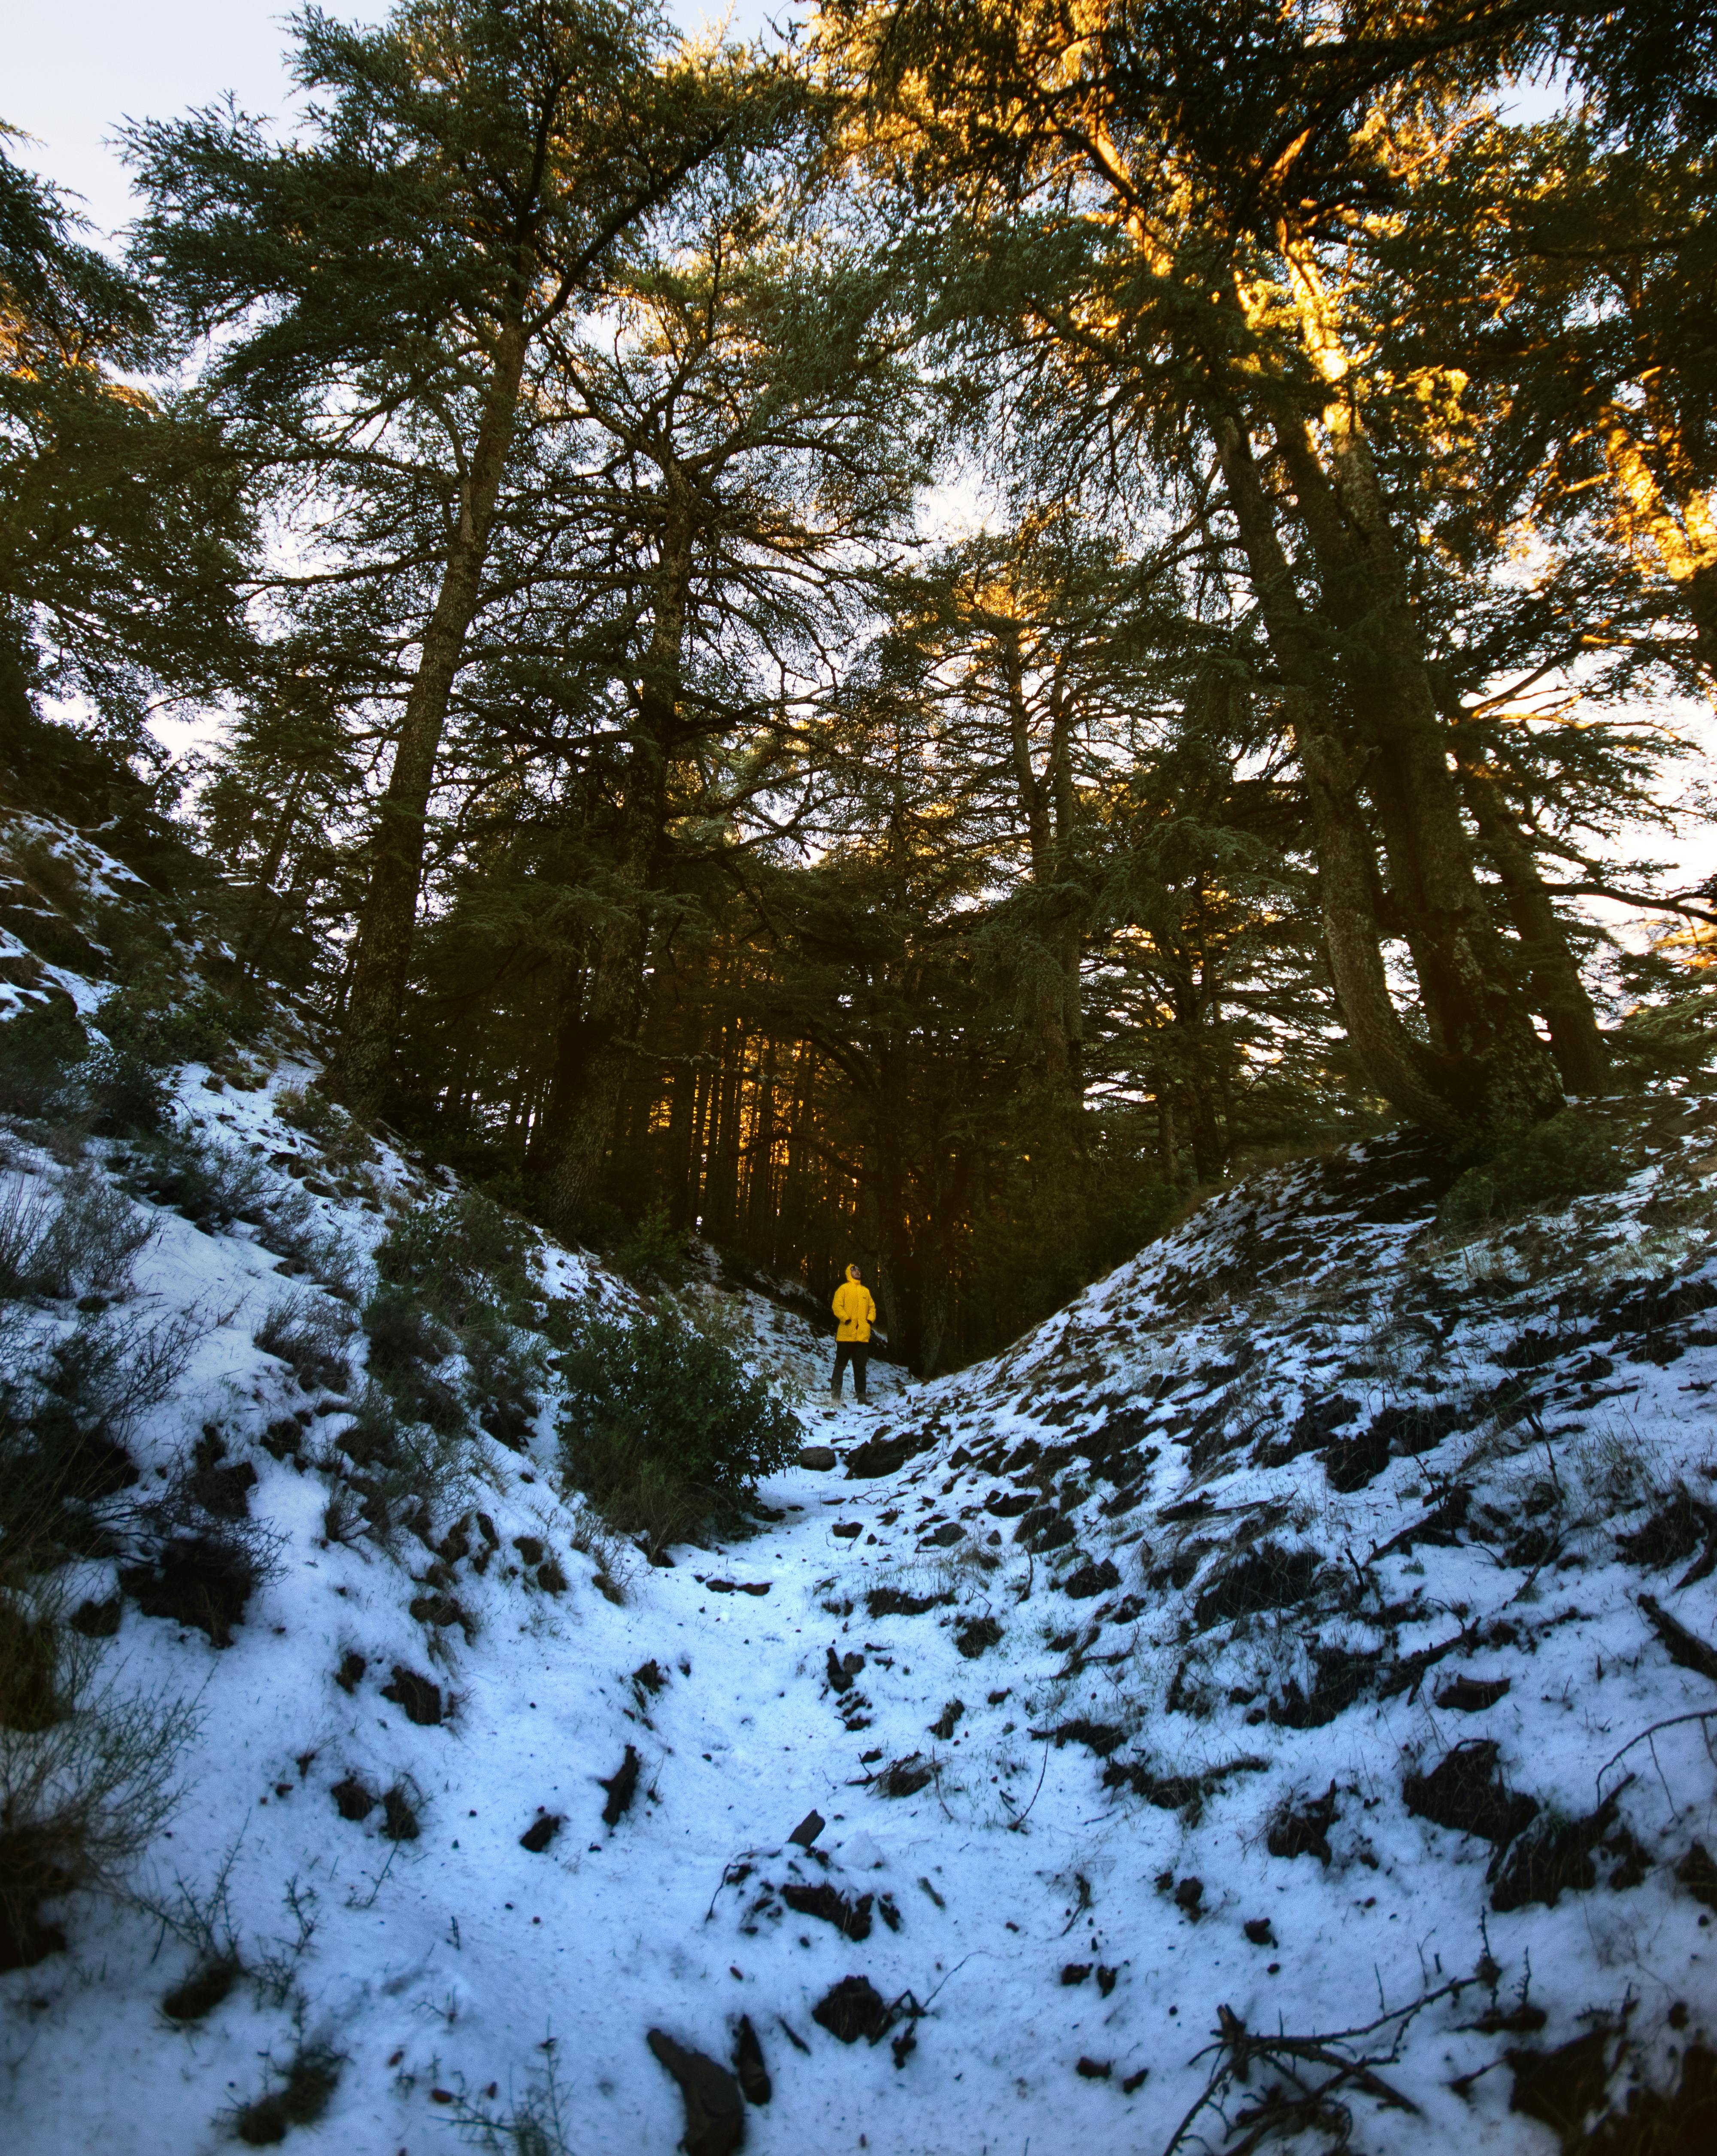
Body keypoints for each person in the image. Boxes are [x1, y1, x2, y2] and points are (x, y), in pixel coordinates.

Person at [830, 1262, 877, 1406]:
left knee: (860, 1367)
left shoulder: (865, 1291)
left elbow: (872, 1308)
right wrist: (846, 1319)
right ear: (848, 1273)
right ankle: (836, 1396)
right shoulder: (843, 1289)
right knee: (840, 1366)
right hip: (845, 1335)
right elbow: (837, 1306)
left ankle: (862, 1397)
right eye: (854, 1270)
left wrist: (869, 1321)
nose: (857, 1272)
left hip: (862, 1337)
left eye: (858, 1270)